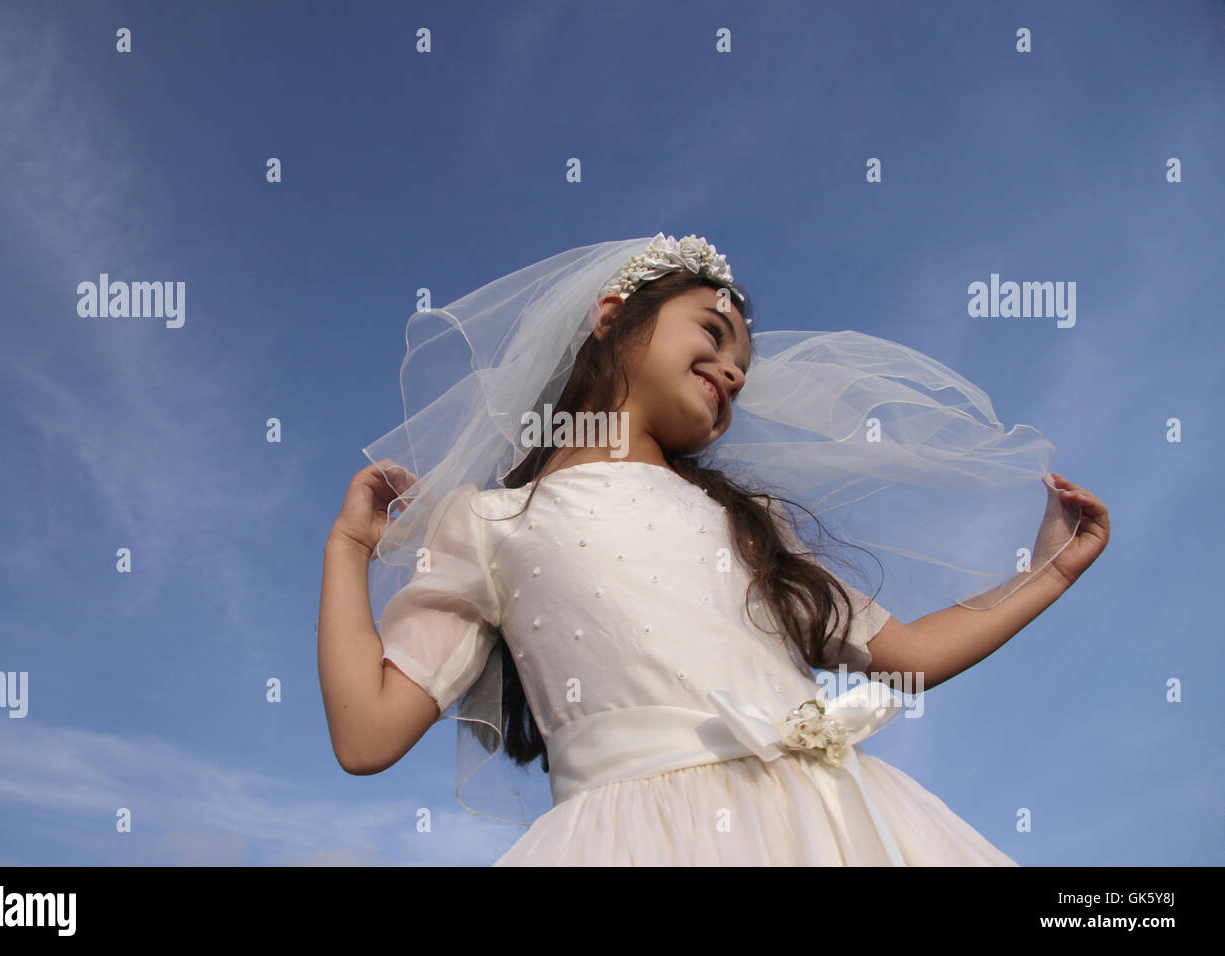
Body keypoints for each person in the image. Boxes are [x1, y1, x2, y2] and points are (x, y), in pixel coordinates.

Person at [318, 233, 1110, 865]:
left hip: (829, 829)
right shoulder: (490, 523)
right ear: (610, 315)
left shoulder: (748, 519)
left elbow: (912, 653)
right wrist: (349, 548)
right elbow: (368, 735)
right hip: (630, 840)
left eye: (743, 364)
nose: (733, 368)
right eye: (714, 330)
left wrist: (1048, 572)